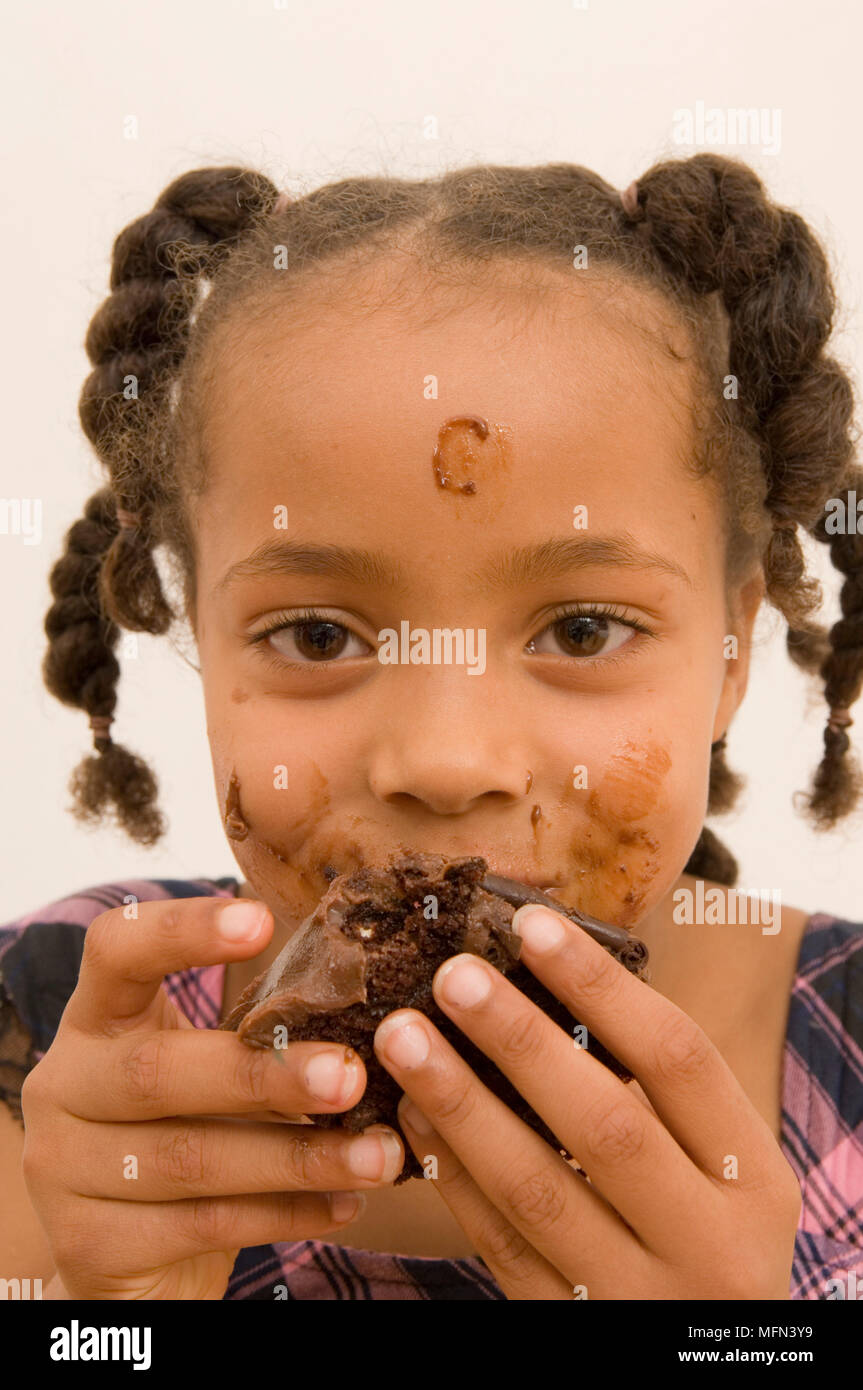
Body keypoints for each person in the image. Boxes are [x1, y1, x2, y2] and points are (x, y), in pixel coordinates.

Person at [1, 154, 861, 1300]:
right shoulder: (56, 1060)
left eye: (583, 627)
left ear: (729, 654)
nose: (449, 763)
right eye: (317, 636)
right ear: (200, 637)